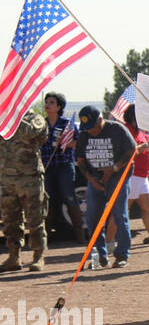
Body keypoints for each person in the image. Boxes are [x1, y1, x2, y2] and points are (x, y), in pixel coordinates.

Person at [74, 106, 136, 269]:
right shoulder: (84, 135)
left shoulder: (117, 129)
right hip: (95, 178)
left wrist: (114, 169)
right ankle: (100, 255)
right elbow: (80, 160)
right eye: (86, 128)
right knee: (92, 217)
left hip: (118, 177)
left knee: (119, 214)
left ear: (100, 120)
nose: (90, 132)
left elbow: (132, 150)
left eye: (92, 127)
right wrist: (91, 180)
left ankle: (122, 254)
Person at [0, 107, 49, 273]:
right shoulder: (2, 118)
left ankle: (38, 256)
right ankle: (14, 256)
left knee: (35, 219)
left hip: (30, 177)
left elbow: (32, 132)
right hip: (7, 178)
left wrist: (15, 118)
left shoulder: (34, 118)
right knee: (11, 220)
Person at [117, 105, 149, 251]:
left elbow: (145, 148)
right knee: (122, 210)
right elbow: (130, 151)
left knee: (148, 206)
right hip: (132, 175)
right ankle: (109, 242)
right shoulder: (126, 130)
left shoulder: (138, 131)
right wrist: (147, 145)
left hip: (141, 175)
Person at [41, 92, 85, 244]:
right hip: (47, 167)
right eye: (47, 102)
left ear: (59, 107)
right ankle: (45, 237)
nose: (48, 105)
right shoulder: (41, 124)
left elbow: (78, 142)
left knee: (69, 197)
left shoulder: (67, 124)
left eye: (52, 102)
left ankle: (80, 234)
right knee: (47, 199)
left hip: (64, 166)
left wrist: (65, 143)